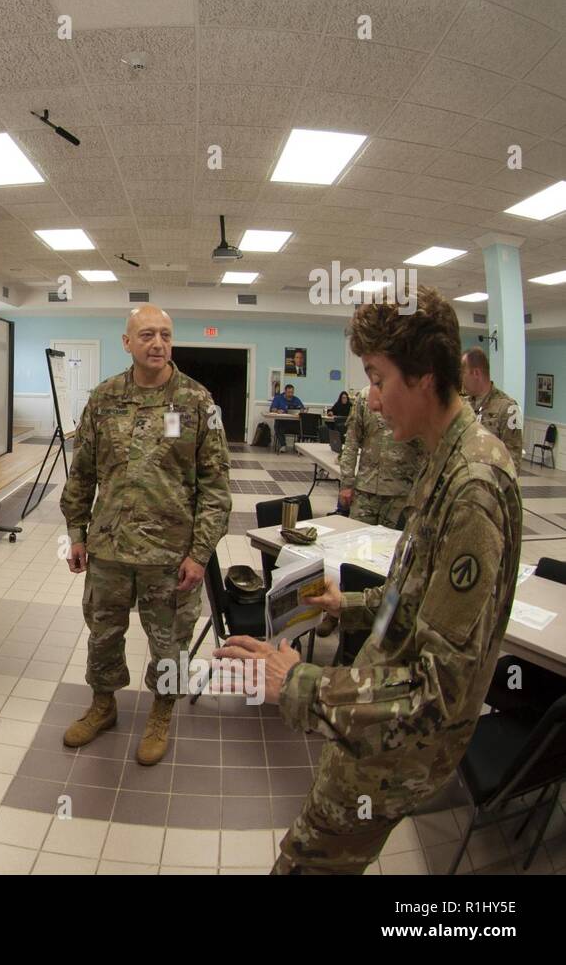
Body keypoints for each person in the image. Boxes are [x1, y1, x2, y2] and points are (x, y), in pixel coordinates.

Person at [216, 286, 522, 874]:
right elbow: (418, 592)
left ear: (426, 377)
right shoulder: (444, 455)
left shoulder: (473, 486)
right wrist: (350, 602)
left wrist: (297, 681)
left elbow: (440, 690)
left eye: (380, 380)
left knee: (306, 861)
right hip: (376, 706)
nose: (373, 402)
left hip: (401, 740)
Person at [59, 304, 231, 764]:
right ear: (127, 342)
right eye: (148, 334)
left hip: (169, 557)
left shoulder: (198, 403)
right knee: (102, 635)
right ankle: (102, 705)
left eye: (166, 335)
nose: (158, 343)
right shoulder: (104, 398)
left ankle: (161, 712)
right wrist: (76, 532)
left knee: (170, 644)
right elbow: (82, 474)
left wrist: (199, 554)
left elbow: (216, 487)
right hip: (109, 550)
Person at [337, 386, 426, 529]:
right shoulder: (365, 396)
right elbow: (351, 442)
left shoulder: (416, 398)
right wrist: (346, 484)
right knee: (355, 542)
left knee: (390, 547)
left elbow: (425, 450)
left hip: (400, 494)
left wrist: (421, 492)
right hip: (365, 492)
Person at [461, 347, 523, 473]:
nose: (461, 380)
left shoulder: (508, 408)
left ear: (476, 373)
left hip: (491, 485)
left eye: (462, 373)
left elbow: (513, 460)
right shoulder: (464, 404)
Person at [269, 384, 305, 451]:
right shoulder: (278, 398)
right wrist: (277, 410)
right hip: (282, 422)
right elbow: (272, 409)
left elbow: (302, 408)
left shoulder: (296, 399)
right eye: (289, 392)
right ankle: (283, 445)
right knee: (278, 426)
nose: (290, 394)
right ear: (285, 391)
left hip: (293, 422)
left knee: (302, 426)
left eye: (292, 392)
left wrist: (301, 410)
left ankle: (298, 446)